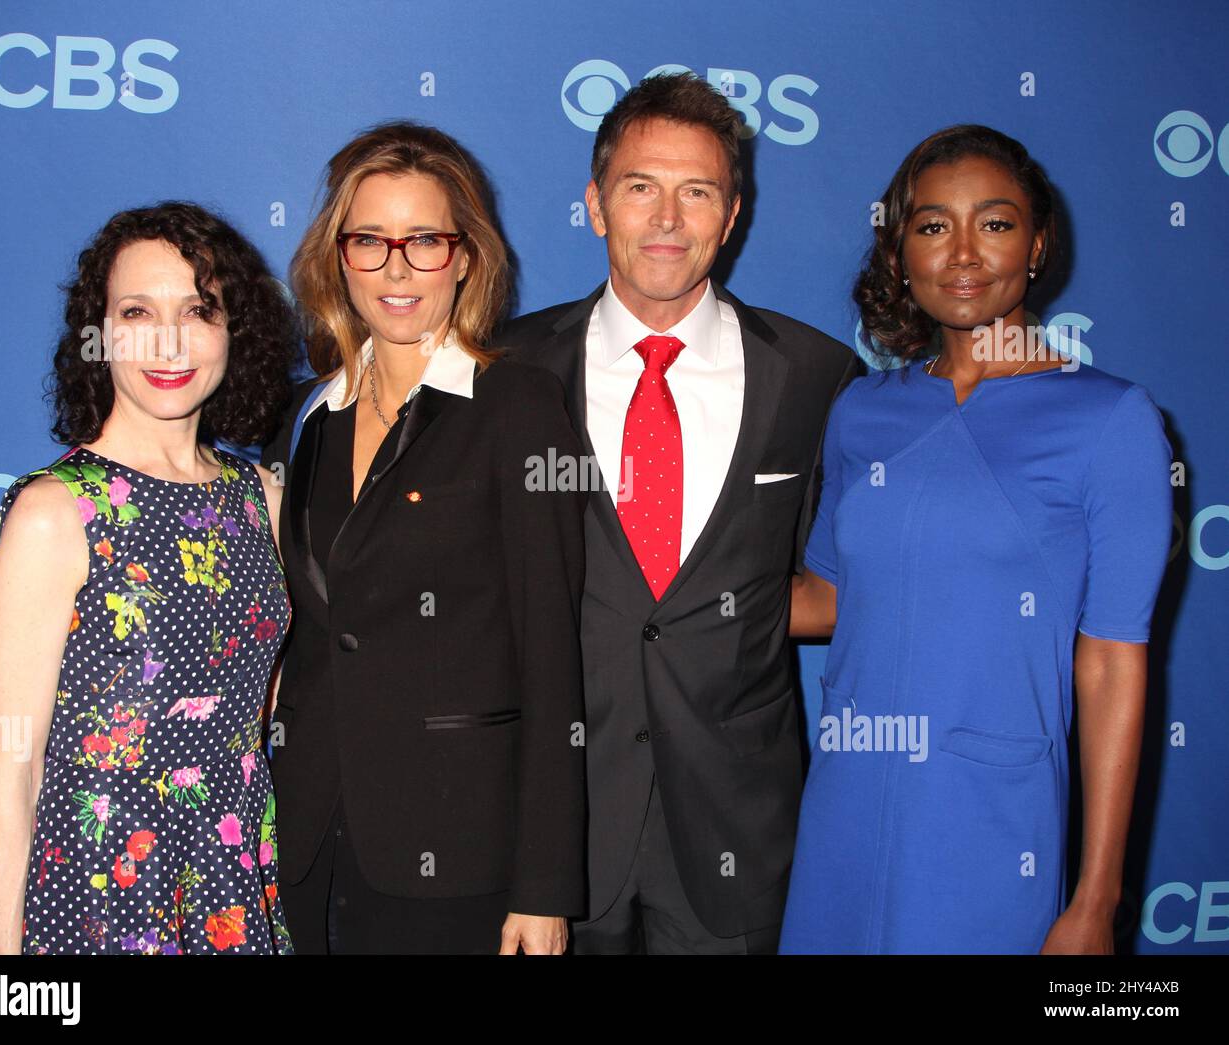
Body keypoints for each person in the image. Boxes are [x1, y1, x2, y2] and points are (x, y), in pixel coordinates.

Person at [781, 125, 1173, 954]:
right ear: (899, 254)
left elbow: (1111, 662)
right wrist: (668, 586)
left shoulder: (1110, 419)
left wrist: (1096, 899)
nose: (963, 252)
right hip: (845, 801)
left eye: (994, 223)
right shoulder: (864, 409)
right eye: (931, 226)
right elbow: (827, 599)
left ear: (1037, 244)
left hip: (992, 822)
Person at [498, 72, 857, 954]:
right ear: (594, 204)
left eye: (697, 191)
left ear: (731, 216)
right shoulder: (507, 369)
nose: (667, 218)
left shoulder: (815, 375)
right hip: (553, 832)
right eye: (640, 187)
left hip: (737, 830)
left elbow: (844, 582)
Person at [260, 122, 586, 955]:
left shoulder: (519, 406)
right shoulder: (307, 415)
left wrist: (544, 885)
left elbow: (553, 650)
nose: (396, 268)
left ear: (467, 256)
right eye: (369, 240)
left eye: (425, 241)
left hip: (457, 842)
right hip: (305, 834)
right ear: (338, 256)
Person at [0, 201, 299, 954]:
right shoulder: (56, 512)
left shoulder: (265, 501)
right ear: (99, 333)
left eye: (196, 308)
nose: (167, 339)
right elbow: (9, 773)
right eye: (136, 310)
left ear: (231, 330)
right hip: (96, 893)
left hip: (233, 880)